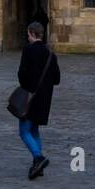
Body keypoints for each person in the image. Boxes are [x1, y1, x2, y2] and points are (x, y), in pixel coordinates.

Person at [17, 20, 61, 180]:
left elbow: (22, 75)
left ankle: (39, 158)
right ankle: (38, 167)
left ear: (31, 33)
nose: (27, 37)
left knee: (23, 131)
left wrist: (28, 85)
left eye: (28, 34)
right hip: (44, 99)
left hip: (30, 97)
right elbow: (57, 79)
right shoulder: (50, 53)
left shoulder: (28, 50)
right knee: (34, 130)